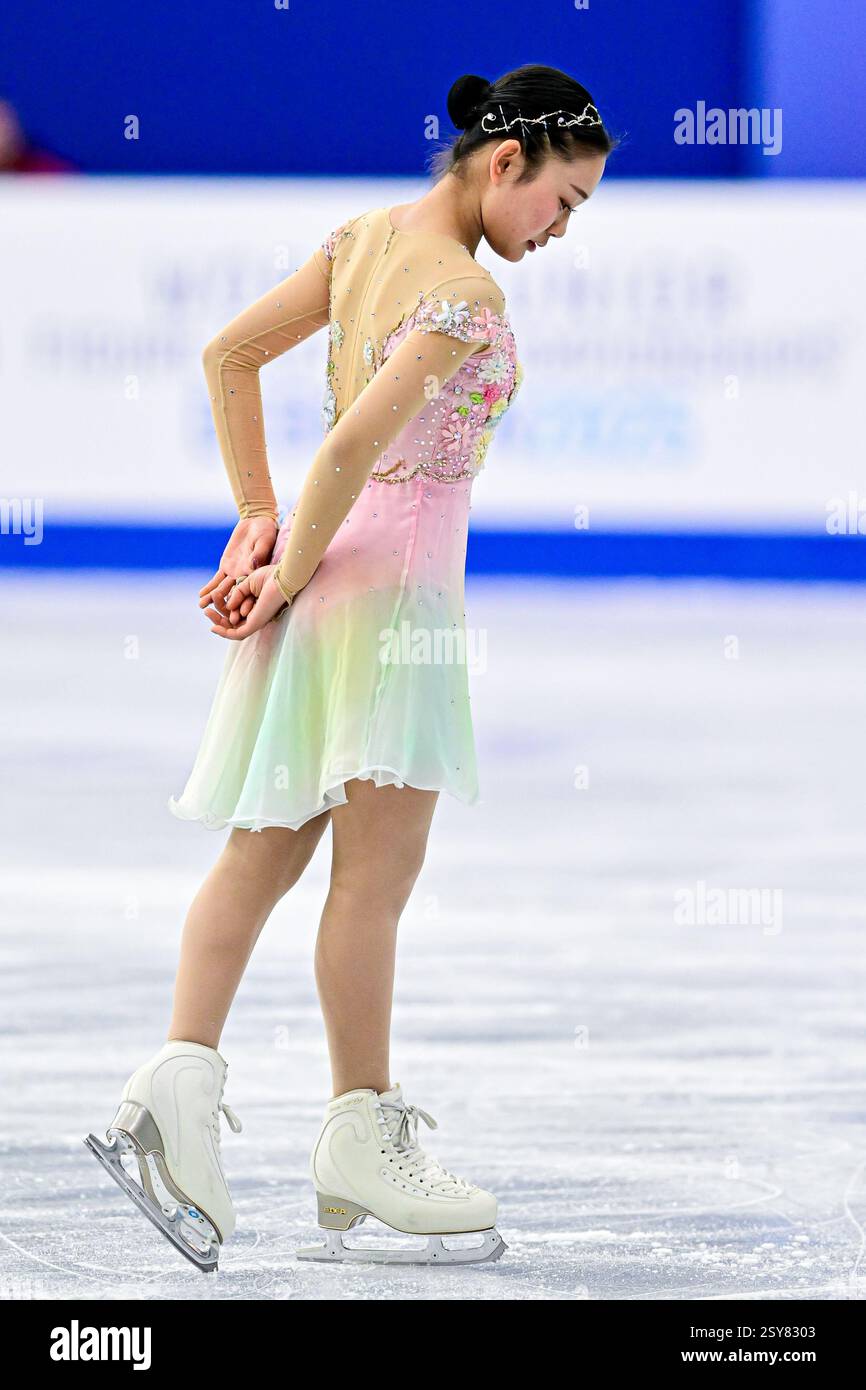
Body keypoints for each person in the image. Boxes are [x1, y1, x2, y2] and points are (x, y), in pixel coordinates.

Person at [85, 65, 615, 1270]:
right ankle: (358, 1137)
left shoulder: (360, 239)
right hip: (393, 612)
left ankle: (172, 1087)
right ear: (503, 165)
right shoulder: (467, 295)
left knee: (262, 853)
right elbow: (349, 445)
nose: (562, 231)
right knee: (370, 884)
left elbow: (227, 357)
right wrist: (276, 557)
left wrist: (259, 525)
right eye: (564, 201)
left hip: (326, 591)